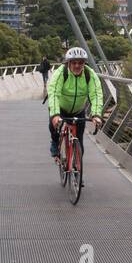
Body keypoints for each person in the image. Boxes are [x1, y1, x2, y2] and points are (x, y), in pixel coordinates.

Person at [47, 46, 104, 174]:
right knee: (53, 125)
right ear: (68, 63)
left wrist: (96, 115)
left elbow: (96, 95)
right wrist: (55, 115)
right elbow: (54, 93)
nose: (77, 66)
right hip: (61, 108)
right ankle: (55, 143)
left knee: (79, 142)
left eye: (81, 62)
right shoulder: (61, 73)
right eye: (74, 62)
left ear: (85, 63)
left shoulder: (90, 74)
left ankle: (77, 169)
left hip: (78, 110)